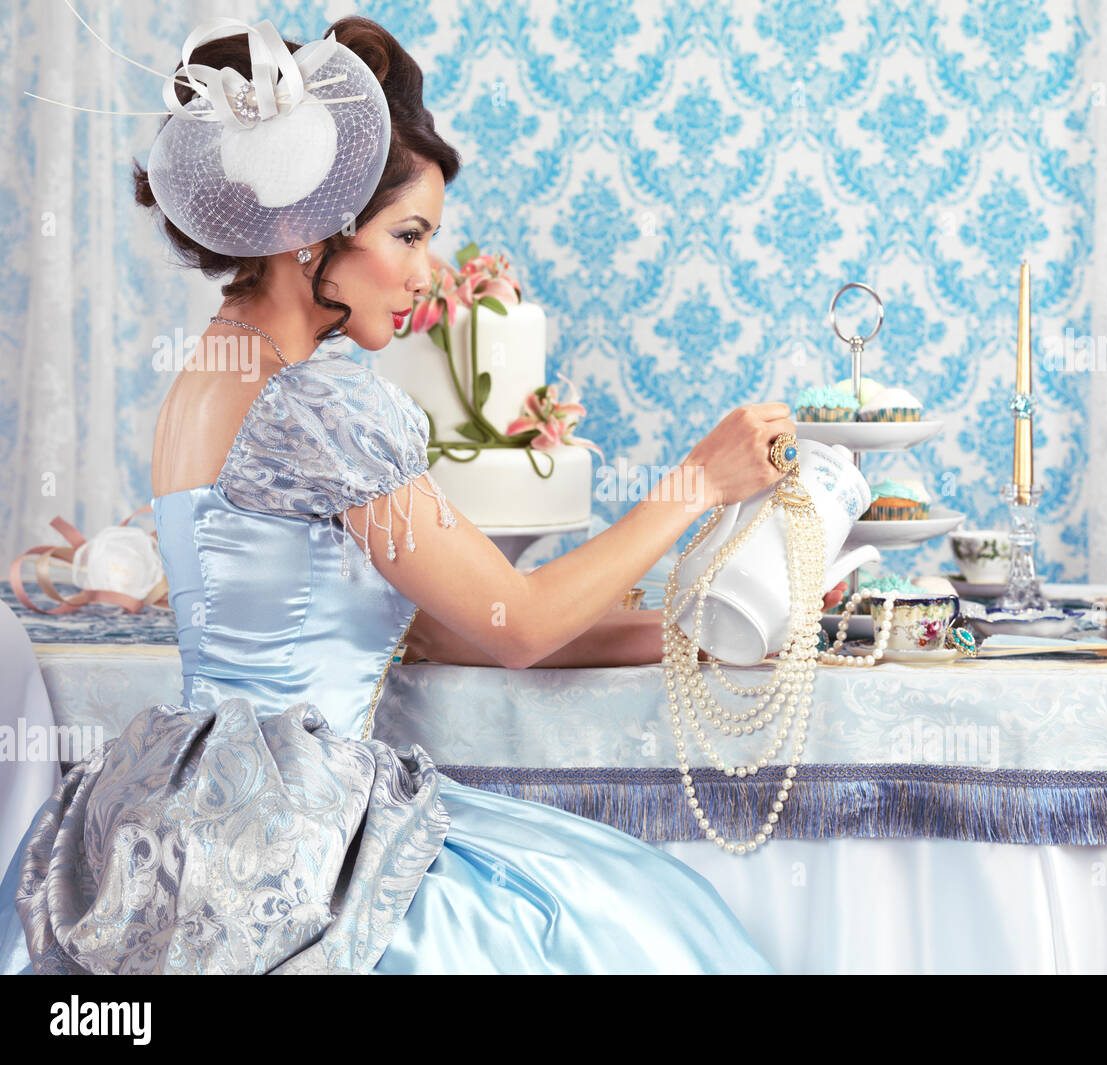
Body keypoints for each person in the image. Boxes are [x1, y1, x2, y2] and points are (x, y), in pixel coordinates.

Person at [0, 15, 834, 975]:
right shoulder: (320, 402)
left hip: (183, 804)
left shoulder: (212, 371)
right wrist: (698, 482)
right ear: (313, 232)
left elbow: (445, 628)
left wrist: (702, 625)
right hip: (293, 828)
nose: (429, 276)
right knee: (635, 918)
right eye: (409, 235)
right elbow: (512, 622)